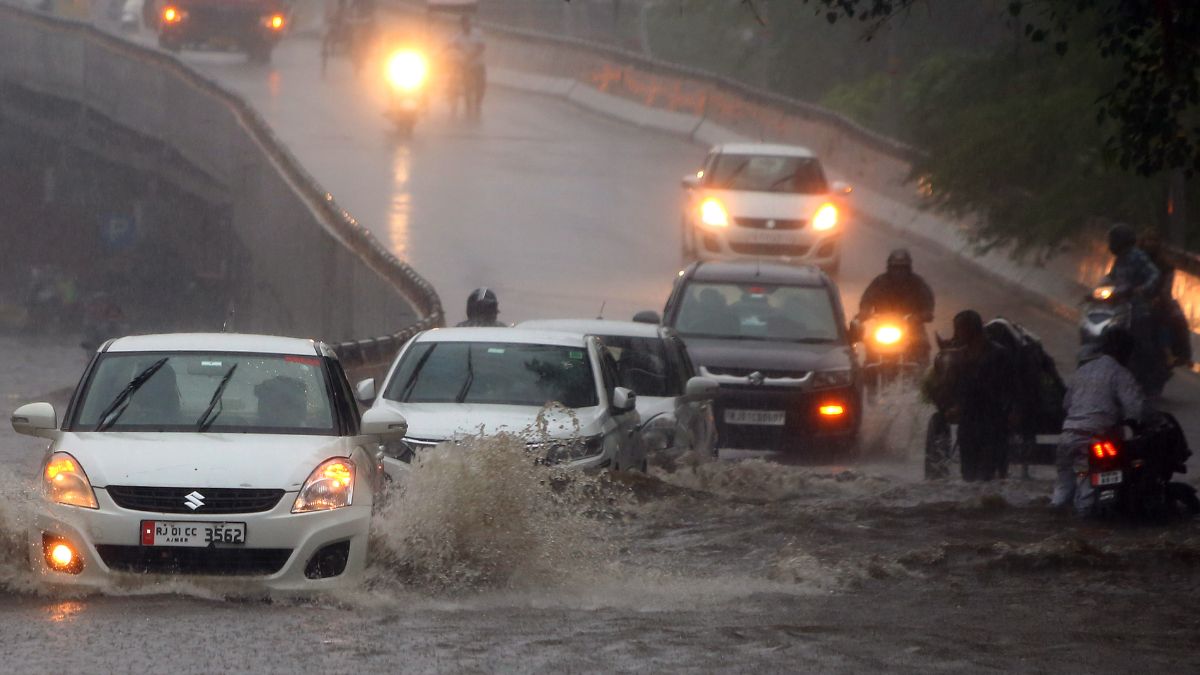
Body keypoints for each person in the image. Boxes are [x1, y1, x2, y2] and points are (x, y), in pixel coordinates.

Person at [1052, 327, 1147, 513]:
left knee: (1062, 488)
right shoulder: (1120, 373)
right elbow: (1136, 408)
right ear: (1125, 351)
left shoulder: (1083, 370)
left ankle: (1054, 520)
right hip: (1094, 440)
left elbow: (1066, 403)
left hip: (1067, 437)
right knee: (1086, 499)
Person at [948, 310, 1012, 481]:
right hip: (968, 420)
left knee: (988, 472)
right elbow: (954, 387)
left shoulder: (999, 354)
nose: (956, 334)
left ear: (971, 329)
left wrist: (1012, 411)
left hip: (992, 419)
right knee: (968, 474)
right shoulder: (959, 356)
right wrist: (955, 405)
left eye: (959, 329)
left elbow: (1010, 385)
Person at [858, 249, 935, 358]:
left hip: (912, 327)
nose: (899, 272)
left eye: (902, 268)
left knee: (921, 344)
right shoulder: (880, 282)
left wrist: (923, 315)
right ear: (889, 268)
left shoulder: (917, 283)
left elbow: (928, 302)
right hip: (883, 326)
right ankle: (871, 370)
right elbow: (867, 298)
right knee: (870, 345)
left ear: (908, 269)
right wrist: (864, 312)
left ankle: (920, 371)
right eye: (895, 268)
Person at [1139, 229, 1193, 368]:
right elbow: (1117, 276)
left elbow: (1166, 287)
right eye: (1148, 240)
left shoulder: (1165, 266)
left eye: (1154, 240)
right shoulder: (1134, 259)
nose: (1150, 243)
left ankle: (1176, 353)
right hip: (1130, 297)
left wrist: (1158, 297)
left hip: (1157, 299)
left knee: (1174, 317)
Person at [448, 14, 486, 119]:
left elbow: (482, 47)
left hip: (478, 63)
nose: (465, 26)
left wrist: (471, 56)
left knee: (481, 84)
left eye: (467, 24)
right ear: (461, 25)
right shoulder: (459, 36)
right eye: (463, 24)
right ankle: (468, 106)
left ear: (470, 24)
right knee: (467, 85)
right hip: (466, 65)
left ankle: (478, 103)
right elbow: (451, 44)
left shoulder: (477, 33)